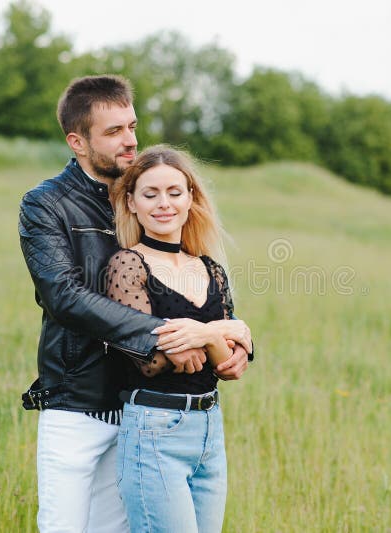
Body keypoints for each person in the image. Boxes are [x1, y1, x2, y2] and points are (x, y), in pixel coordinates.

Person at [18, 75, 252, 532]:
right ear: (78, 142)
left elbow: (183, 277)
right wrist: (167, 338)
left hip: (142, 410)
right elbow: (64, 295)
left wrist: (235, 333)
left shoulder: (148, 189)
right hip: (79, 400)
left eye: (132, 126)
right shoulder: (47, 205)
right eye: (113, 131)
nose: (129, 140)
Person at [105, 145, 244, 532]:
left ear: (190, 198)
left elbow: (228, 365)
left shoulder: (210, 269)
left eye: (174, 192)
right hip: (154, 430)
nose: (163, 204)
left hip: (209, 430)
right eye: (150, 194)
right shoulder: (127, 265)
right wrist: (216, 332)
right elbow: (150, 362)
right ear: (131, 203)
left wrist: (203, 335)